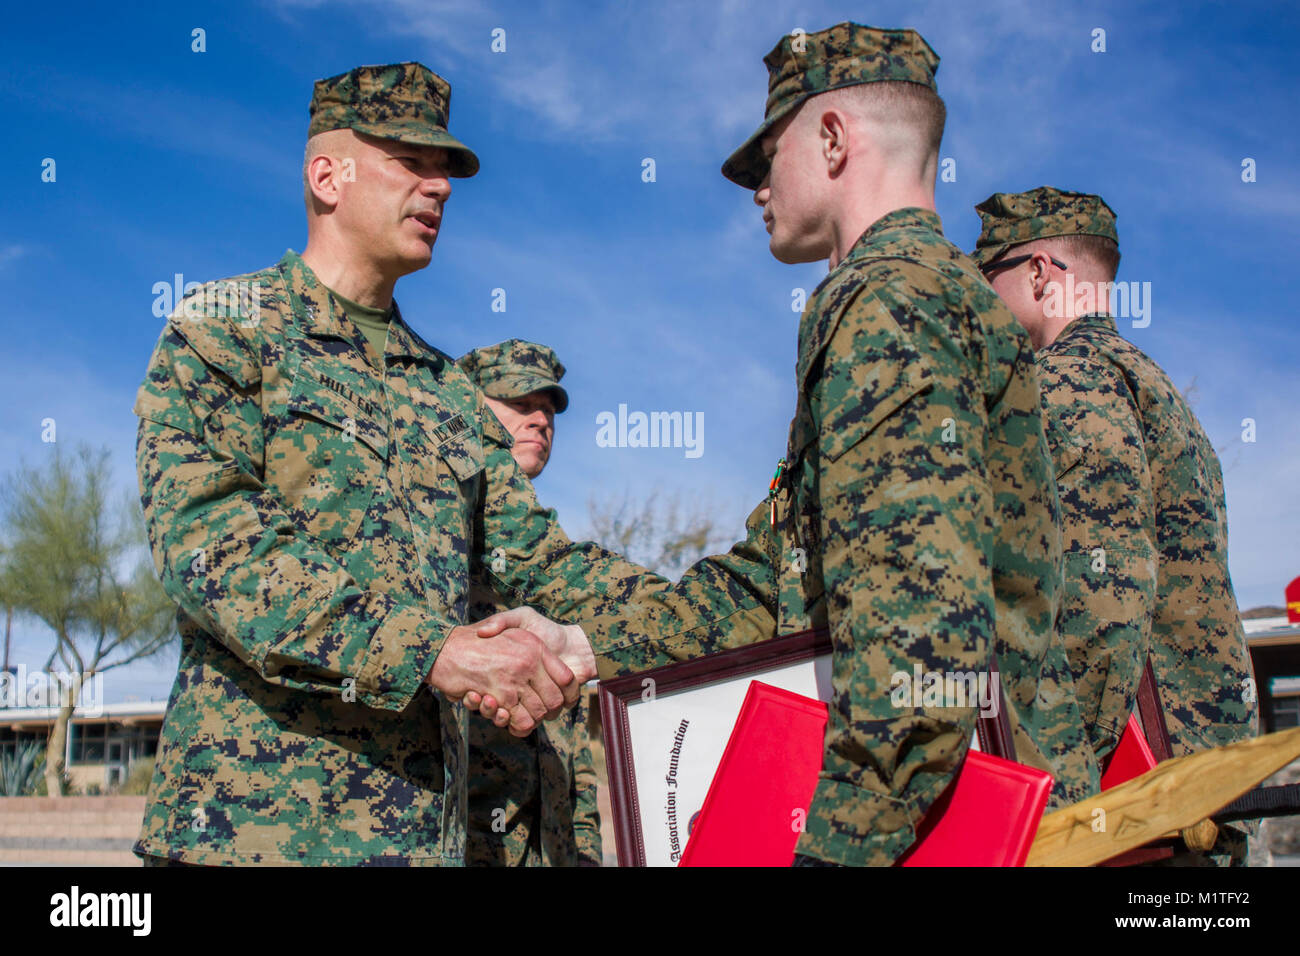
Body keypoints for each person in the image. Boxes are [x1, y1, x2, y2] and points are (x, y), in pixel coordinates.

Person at [472, 23, 1099, 866]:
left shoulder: (887, 300)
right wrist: (583, 647)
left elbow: (919, 650)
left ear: (833, 138)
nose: (756, 189)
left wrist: (832, 851)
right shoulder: (931, 292)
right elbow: (766, 581)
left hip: (941, 826)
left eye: (766, 161)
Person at [130, 62, 728, 866]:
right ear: (326, 175)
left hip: (421, 844)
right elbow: (212, 544)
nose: (440, 187)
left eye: (445, 170)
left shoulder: (448, 391)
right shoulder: (225, 330)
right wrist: (434, 651)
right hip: (249, 838)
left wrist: (721, 624)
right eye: (411, 161)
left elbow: (542, 565)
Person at [971, 186, 1258, 863]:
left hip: (1126, 818)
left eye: (989, 281)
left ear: (1040, 274)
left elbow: (1102, 611)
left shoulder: (1061, 384)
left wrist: (1063, 798)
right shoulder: (1155, 391)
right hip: (1196, 792)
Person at [456, 340, 601, 866]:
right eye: (521, 404)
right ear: (468, 406)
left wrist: (584, 853)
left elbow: (571, 748)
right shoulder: (432, 544)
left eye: (549, 411)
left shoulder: (554, 563)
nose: (541, 420)